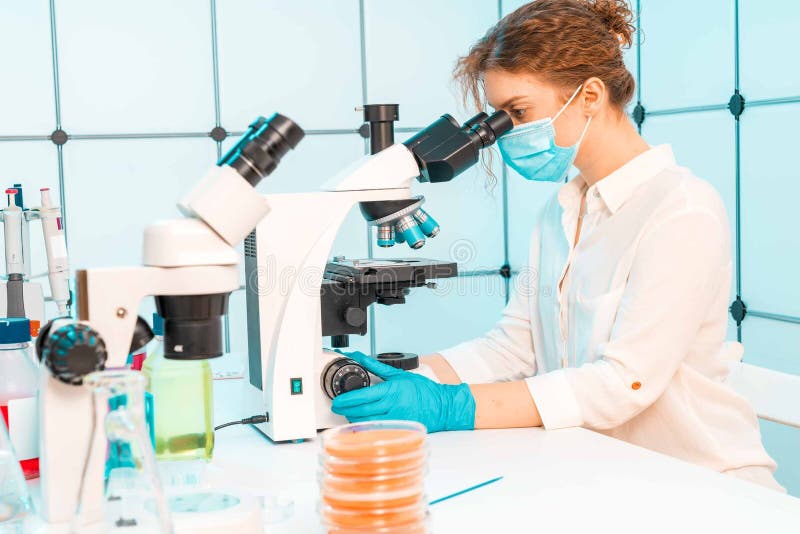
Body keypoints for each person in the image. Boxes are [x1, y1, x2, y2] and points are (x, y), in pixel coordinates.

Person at [331, 0, 783, 492]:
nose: (504, 134)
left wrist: (449, 406)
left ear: (590, 95)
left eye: (517, 113)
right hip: (601, 471)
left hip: (704, 486)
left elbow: (622, 384)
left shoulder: (681, 209)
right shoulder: (561, 211)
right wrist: (403, 377)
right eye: (498, 116)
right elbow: (514, 346)